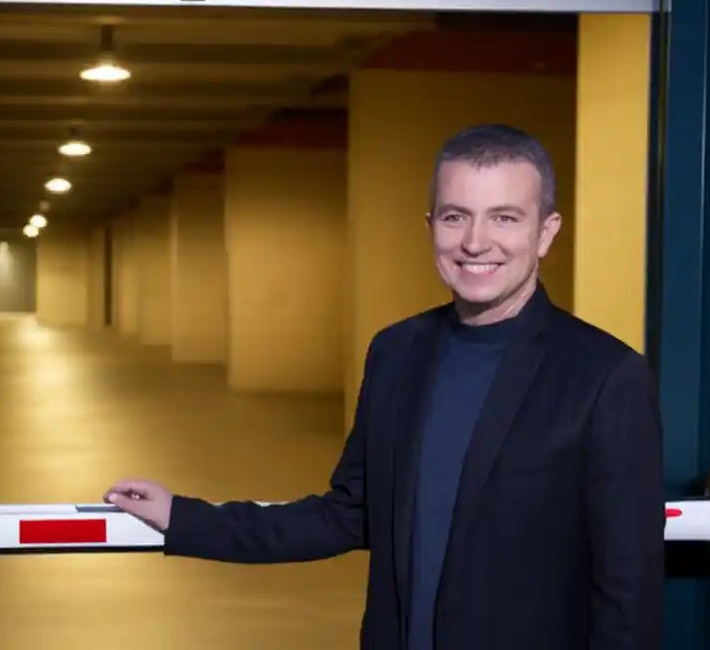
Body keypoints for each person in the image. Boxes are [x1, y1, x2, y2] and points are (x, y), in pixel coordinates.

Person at [104, 123, 664, 650]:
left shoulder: (605, 376)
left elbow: (627, 594)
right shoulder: (398, 352)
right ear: (430, 227)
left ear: (545, 232)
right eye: (454, 217)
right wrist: (186, 518)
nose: (475, 241)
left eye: (504, 218)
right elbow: (347, 513)